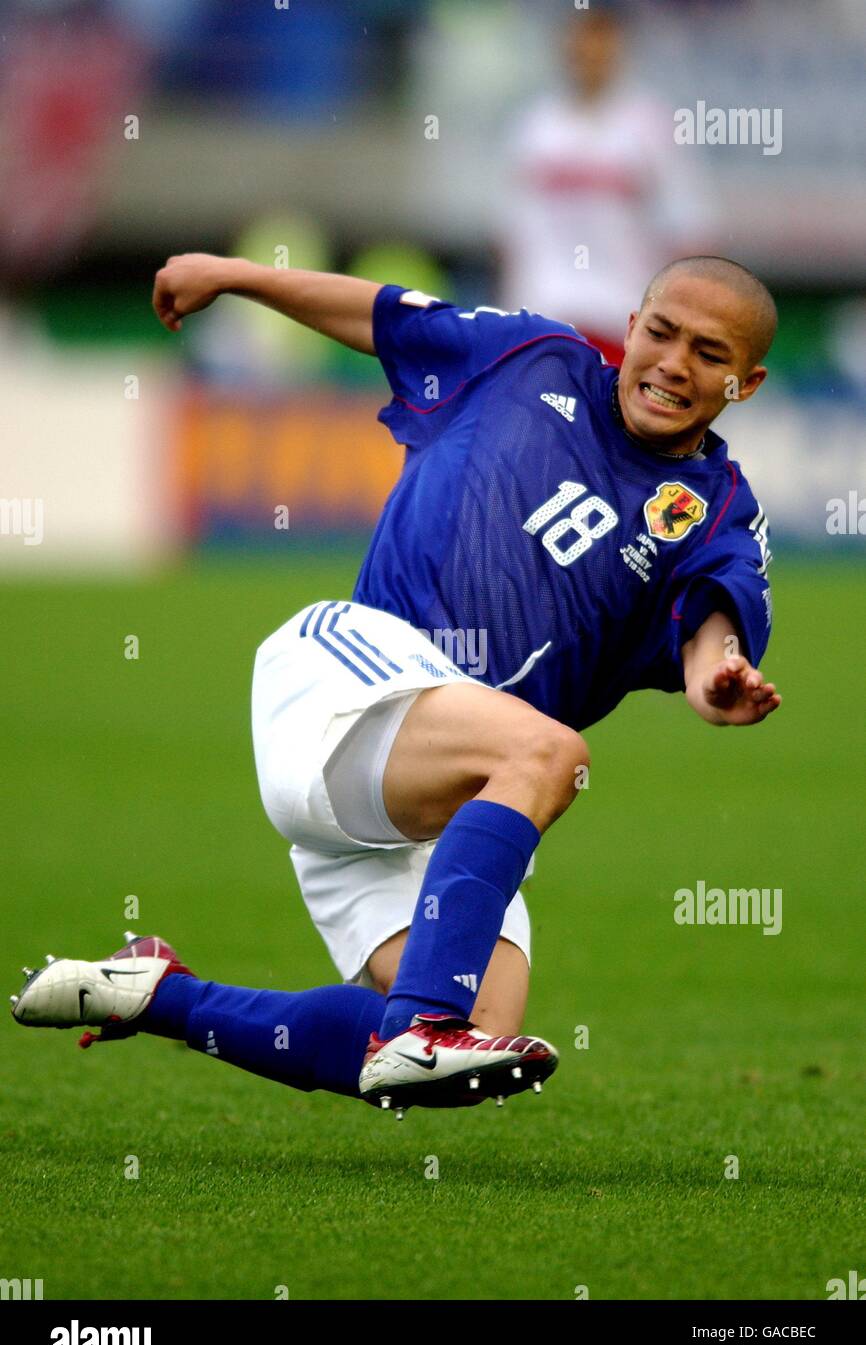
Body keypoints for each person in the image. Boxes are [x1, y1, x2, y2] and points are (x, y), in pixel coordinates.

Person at [10, 252, 781, 1120]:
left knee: (485, 1035)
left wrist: (715, 677)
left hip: (430, 797)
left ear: (745, 382)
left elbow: (713, 625)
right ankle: (423, 1026)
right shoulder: (531, 358)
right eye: (664, 332)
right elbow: (381, 315)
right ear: (631, 327)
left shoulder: (717, 508)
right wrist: (234, 274)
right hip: (349, 680)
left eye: (709, 354)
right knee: (550, 754)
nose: (676, 363)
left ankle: (160, 996)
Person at [498, 3, 713, 365]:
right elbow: (510, 230)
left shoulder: (651, 126)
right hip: (545, 311)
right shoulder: (535, 127)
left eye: (600, 44)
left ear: (618, 49)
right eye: (581, 44)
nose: (589, 55)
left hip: (620, 313)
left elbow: (689, 226)